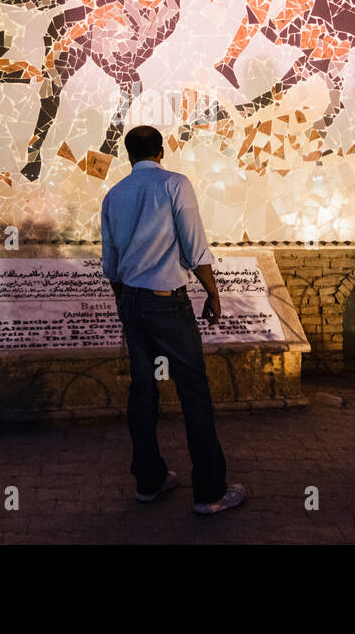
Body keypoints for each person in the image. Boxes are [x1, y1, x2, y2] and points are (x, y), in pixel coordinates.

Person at [100, 125, 246, 515]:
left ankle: (148, 481)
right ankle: (209, 492)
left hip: (131, 300)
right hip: (166, 302)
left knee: (142, 391)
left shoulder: (114, 195)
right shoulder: (175, 185)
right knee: (194, 392)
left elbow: (111, 263)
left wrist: (125, 303)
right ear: (161, 151)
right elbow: (195, 246)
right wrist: (212, 292)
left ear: (127, 154)